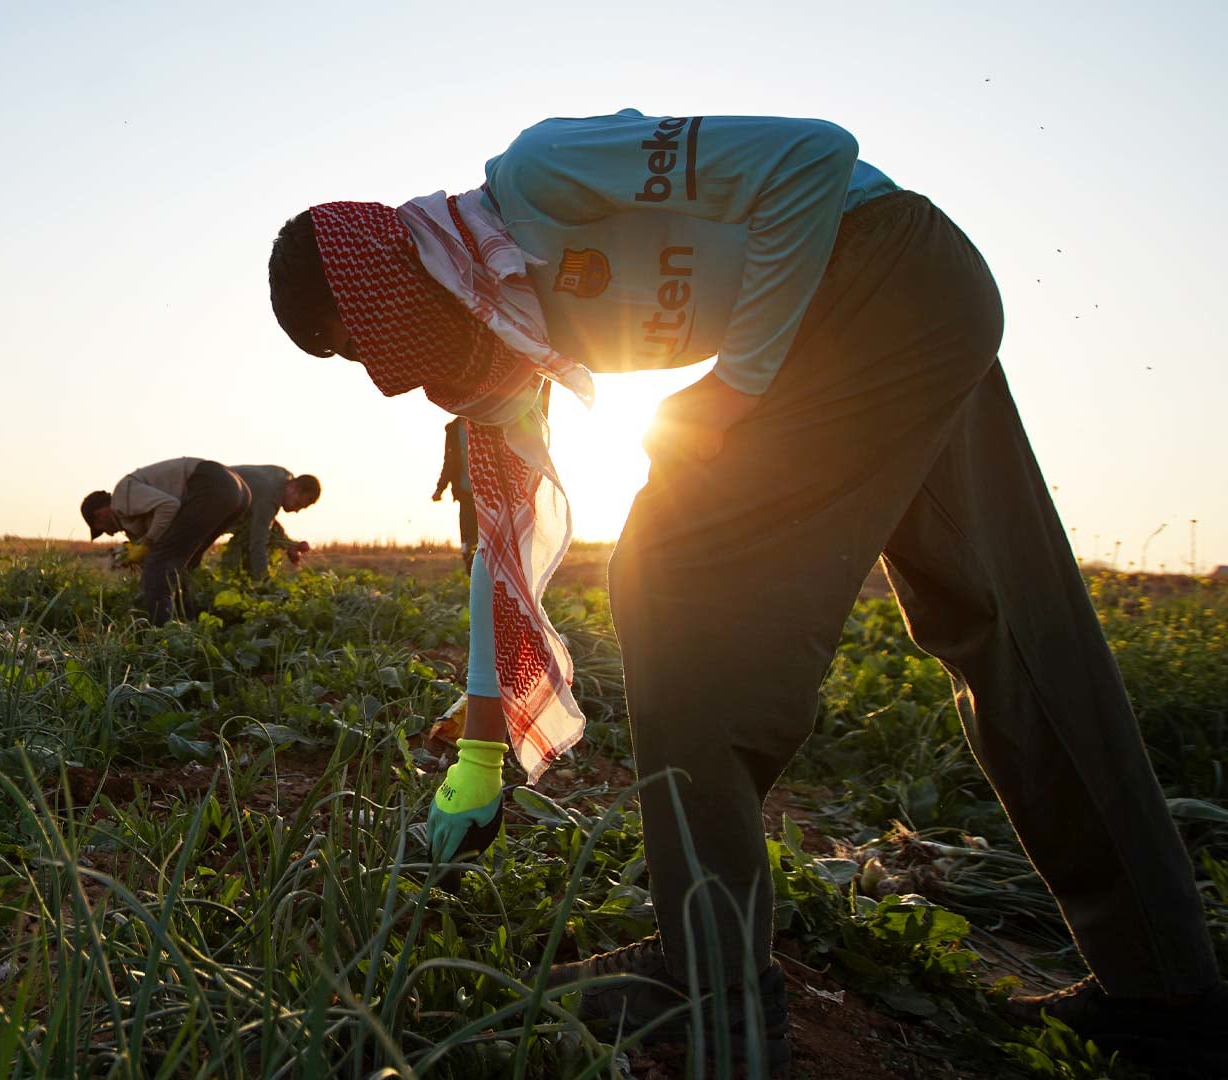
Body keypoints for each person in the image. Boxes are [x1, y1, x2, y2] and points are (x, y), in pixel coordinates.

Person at [268, 109, 1225, 1075]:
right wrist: (480, 747)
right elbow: (505, 554)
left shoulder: (545, 175)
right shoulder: (510, 318)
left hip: (881, 267)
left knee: (671, 579)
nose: (391, 373)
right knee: (1003, 624)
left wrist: (736, 382)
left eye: (369, 340)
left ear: (388, 273)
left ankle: (710, 978)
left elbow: (815, 157)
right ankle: (1164, 987)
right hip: (915, 304)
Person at [81, 456, 250, 622]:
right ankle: (188, 621)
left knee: (159, 564)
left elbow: (169, 506)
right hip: (236, 491)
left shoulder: (123, 495)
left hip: (211, 483)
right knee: (182, 563)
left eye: (101, 529)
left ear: (100, 515)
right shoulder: (130, 512)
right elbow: (164, 537)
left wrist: (148, 544)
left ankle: (161, 634)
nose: (109, 534)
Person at [220, 466, 321, 578]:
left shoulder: (283, 476)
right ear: (293, 487)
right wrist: (264, 582)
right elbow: (258, 543)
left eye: (301, 507)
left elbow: (266, 521)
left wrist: (288, 545)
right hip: (209, 493)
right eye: (297, 503)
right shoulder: (270, 496)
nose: (297, 510)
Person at [432, 418, 477, 573]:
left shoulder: (484, 422)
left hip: (485, 492)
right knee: (467, 534)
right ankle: (470, 568)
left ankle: (483, 571)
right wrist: (440, 488)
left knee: (483, 535)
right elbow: (449, 461)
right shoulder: (452, 430)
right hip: (464, 491)